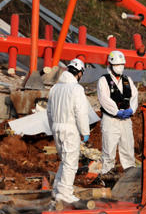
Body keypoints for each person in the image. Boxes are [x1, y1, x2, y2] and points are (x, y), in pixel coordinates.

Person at [47, 59, 91, 205]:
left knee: (64, 161)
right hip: (70, 128)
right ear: (79, 73)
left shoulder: (55, 88)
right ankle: (65, 193)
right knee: (71, 162)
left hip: (56, 127)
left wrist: (52, 127)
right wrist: (85, 131)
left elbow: (49, 112)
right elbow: (81, 112)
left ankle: (57, 190)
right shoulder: (76, 89)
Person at [97, 50, 138, 179]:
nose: (120, 67)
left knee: (128, 147)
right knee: (109, 149)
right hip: (111, 119)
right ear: (111, 65)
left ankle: (129, 175)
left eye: (122, 64)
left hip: (126, 120)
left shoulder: (127, 80)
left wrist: (132, 109)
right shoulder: (104, 80)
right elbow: (104, 99)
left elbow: (134, 95)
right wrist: (116, 112)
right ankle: (107, 175)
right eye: (117, 64)